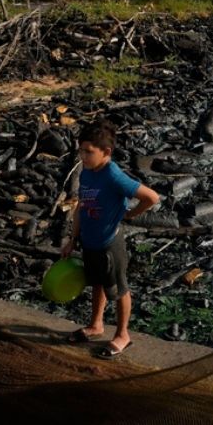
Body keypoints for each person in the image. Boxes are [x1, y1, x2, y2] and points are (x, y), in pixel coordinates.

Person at [61, 120, 161, 359]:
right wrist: (73, 239)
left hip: (109, 245)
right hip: (89, 242)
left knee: (118, 290)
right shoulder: (87, 172)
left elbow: (152, 197)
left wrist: (129, 214)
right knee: (97, 284)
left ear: (106, 152)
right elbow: (81, 207)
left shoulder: (113, 175)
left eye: (89, 152)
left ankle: (123, 335)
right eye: (81, 150)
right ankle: (96, 325)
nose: (83, 156)